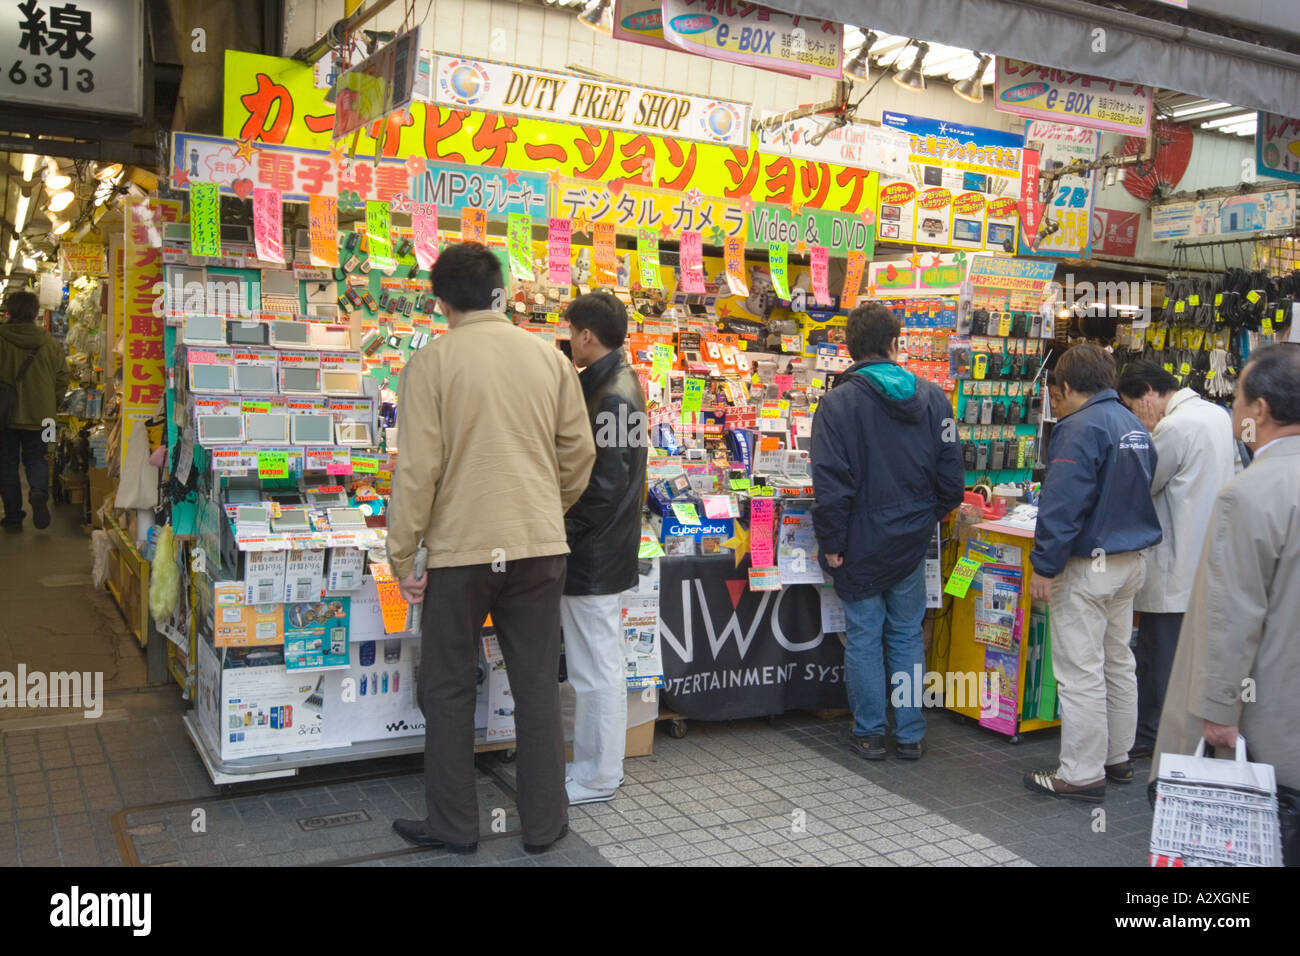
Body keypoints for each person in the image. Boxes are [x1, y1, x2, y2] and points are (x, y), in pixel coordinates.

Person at [387, 243, 596, 855]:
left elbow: (416, 471)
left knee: (448, 689)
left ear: (441, 299)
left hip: (460, 551)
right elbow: (579, 453)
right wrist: (542, 509)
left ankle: (454, 827)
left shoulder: (430, 363)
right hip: (539, 548)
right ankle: (544, 825)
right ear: (500, 290)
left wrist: (403, 555)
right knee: (535, 683)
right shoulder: (549, 358)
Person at [1151, 344, 1300, 864]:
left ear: (1259, 409)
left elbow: (1232, 617)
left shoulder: (1251, 493)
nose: (1233, 411)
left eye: (1237, 398)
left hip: (1265, 728)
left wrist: (1217, 713)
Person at [811, 303, 965, 760]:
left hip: (860, 540)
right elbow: (952, 480)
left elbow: (831, 483)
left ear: (849, 347)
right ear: (896, 343)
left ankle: (871, 732)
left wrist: (834, 544)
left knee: (863, 634)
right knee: (905, 633)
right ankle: (911, 734)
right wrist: (925, 517)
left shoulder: (837, 404)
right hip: (912, 541)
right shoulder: (935, 397)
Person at [1025, 344, 1162, 802]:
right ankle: (1117, 757)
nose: (1055, 404)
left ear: (1065, 386)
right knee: (1118, 660)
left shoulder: (1077, 427)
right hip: (1130, 562)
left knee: (1081, 671)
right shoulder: (1132, 424)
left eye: (1055, 394)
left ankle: (1081, 774)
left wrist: (1044, 565)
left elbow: (1063, 503)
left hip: (1088, 568)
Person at [1115, 361, 1236, 759]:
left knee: (1158, 654)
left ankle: (1152, 735)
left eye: (1135, 407)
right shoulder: (1217, 416)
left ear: (1149, 392)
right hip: (1206, 560)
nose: (1137, 417)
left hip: (1173, 562)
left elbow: (1144, 482)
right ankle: (1177, 731)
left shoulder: (1174, 427)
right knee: (1187, 655)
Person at [560, 292, 648, 805]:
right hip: (601, 550)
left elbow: (605, 487)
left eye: (573, 332)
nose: (571, 340)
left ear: (587, 335)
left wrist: (562, 530)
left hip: (594, 554)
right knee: (600, 666)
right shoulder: (615, 384)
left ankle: (598, 775)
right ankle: (598, 769)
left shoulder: (612, 393)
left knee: (596, 670)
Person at [1, 291, 68, 532]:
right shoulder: (49, 343)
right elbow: (63, 377)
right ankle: (39, 492)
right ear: (33, 312)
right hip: (44, 417)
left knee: (6, 464)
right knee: (38, 457)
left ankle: (13, 517)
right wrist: (53, 401)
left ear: (9, 310)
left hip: (4, 417)